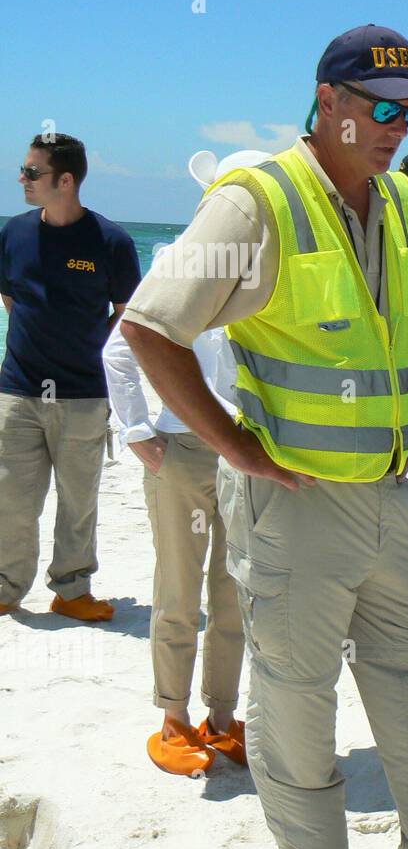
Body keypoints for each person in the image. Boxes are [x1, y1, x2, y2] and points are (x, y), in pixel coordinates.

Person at [121, 24, 408, 849]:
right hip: (294, 501)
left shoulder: (399, 203)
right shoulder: (255, 198)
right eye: (380, 107)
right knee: (298, 711)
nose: (396, 125)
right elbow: (152, 328)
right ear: (327, 102)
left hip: (384, 497)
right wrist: (233, 446)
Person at [103, 150, 267, 776]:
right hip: (185, 448)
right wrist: (139, 431)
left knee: (233, 597)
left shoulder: (266, 273)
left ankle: (221, 720)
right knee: (177, 589)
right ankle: (173, 720)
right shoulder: (178, 263)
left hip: (246, 453)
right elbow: (119, 351)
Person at [0, 133, 140, 621]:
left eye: (31, 172)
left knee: (77, 501)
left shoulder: (112, 242)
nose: (21, 179)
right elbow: (11, 297)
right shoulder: (13, 233)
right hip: (17, 389)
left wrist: (86, 350)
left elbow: (125, 314)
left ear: (66, 180)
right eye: (23, 170)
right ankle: (6, 587)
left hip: (83, 394)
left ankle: (71, 589)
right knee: (11, 496)